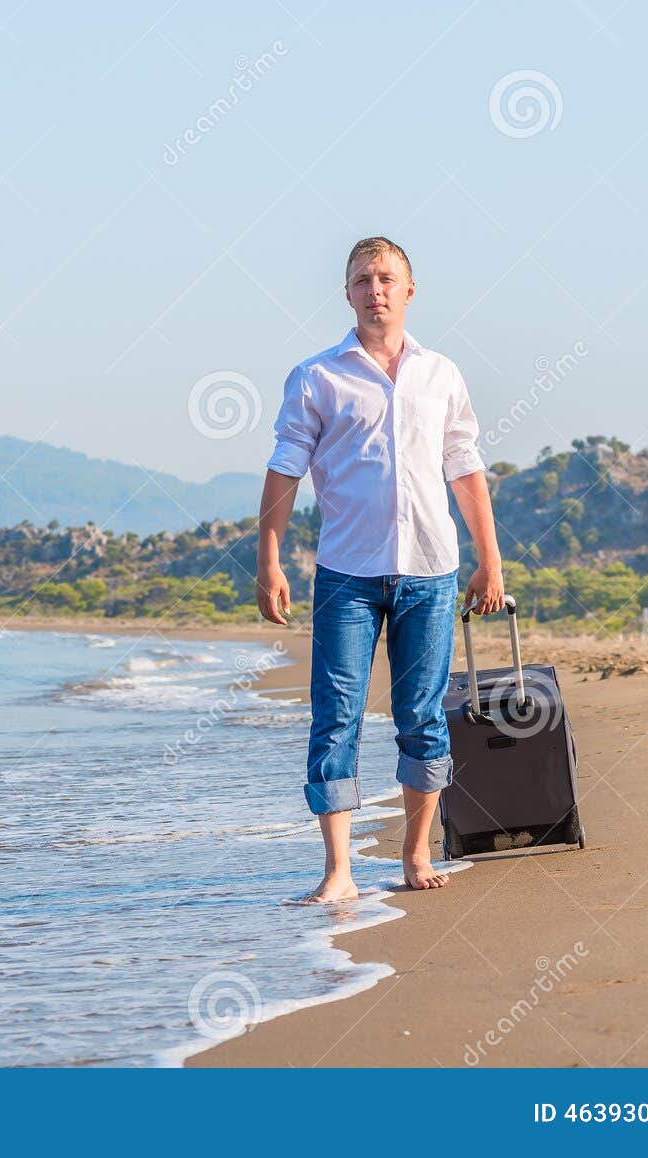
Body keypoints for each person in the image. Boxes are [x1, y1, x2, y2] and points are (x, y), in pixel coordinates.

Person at [256, 236, 504, 900]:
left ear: (409, 290)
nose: (376, 290)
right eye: (363, 279)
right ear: (347, 293)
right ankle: (337, 872)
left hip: (430, 569)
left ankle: (415, 855)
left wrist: (490, 562)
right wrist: (270, 561)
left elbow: (466, 469)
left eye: (387, 278)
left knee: (420, 716)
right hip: (345, 572)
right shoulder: (317, 377)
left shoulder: (441, 374)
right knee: (334, 715)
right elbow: (284, 472)